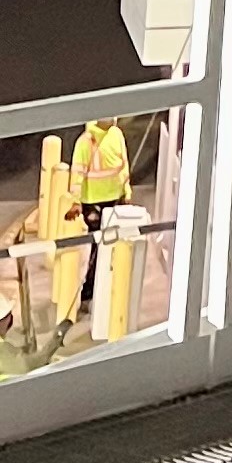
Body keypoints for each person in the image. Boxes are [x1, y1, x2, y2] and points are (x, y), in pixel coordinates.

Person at [69, 118, 132, 317]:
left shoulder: (117, 134)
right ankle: (88, 292)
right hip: (93, 201)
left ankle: (101, 288)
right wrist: (75, 201)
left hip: (114, 200)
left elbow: (123, 165)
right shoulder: (86, 141)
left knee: (111, 245)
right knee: (98, 246)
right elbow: (77, 173)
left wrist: (126, 191)